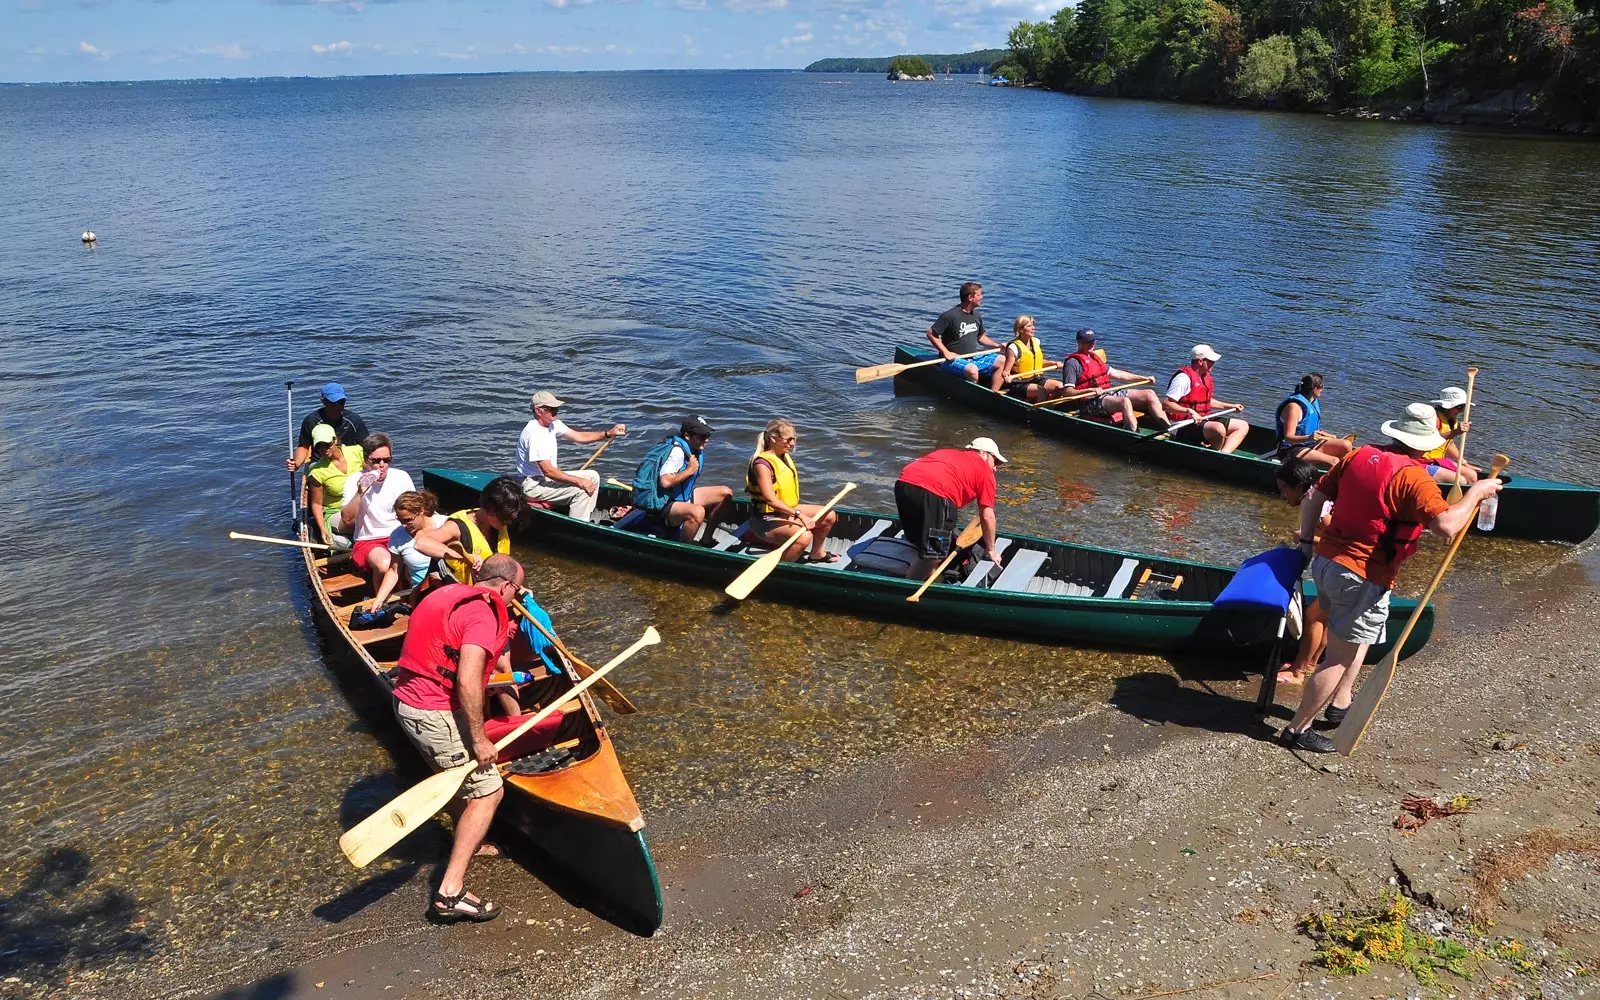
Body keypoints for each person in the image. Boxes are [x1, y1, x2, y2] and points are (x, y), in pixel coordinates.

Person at [1279, 403, 1502, 752]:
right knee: (1337, 656)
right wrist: (1477, 492)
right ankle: (1297, 730)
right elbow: (1446, 527)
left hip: (1326, 563)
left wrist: (1307, 543)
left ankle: (1340, 704)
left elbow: (1316, 495)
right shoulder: (1415, 478)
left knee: (1359, 637)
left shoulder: (1359, 456)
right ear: (1427, 444)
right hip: (1362, 573)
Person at [389, 554, 526, 923]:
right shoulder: (483, 614)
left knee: (460, 779)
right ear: (507, 586)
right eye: (518, 589)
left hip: (406, 702)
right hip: (434, 713)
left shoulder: (446, 592)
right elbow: (467, 680)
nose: (518, 596)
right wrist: (479, 738)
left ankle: (470, 841)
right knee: (489, 790)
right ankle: (450, 892)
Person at [894, 437, 1008, 581]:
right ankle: (908, 587)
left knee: (918, 540)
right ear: (983, 453)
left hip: (904, 485)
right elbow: (987, 516)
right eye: (995, 461)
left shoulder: (946, 452)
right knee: (932, 556)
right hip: (935, 494)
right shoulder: (985, 471)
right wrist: (991, 550)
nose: (995, 468)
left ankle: (927, 572)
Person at [515, 390, 626, 524]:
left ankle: (585, 516)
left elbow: (579, 437)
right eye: (552, 409)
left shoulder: (553, 424)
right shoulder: (535, 434)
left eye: (556, 408)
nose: (556, 411)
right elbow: (549, 471)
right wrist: (579, 481)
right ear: (538, 411)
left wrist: (608, 433)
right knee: (581, 490)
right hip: (532, 486)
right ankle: (578, 526)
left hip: (545, 479)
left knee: (593, 476)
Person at [338, 433, 416, 614]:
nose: (382, 466)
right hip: (370, 539)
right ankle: (384, 605)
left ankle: (410, 599)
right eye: (376, 461)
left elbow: (415, 509)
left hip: (400, 533)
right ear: (366, 461)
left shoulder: (401, 477)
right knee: (384, 563)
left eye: (386, 460)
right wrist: (360, 492)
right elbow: (347, 519)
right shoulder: (354, 481)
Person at [745, 418, 840, 563]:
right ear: (774, 438)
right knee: (804, 537)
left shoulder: (783, 457)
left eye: (794, 439)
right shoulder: (762, 464)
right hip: (765, 520)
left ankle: (817, 553)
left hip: (785, 512)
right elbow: (770, 500)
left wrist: (797, 514)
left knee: (829, 515)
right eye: (788, 440)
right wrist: (800, 516)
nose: (793, 444)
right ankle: (783, 568)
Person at [628, 415, 734, 543]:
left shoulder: (694, 449)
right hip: (663, 504)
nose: (706, 440)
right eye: (702, 436)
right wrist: (689, 470)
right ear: (688, 435)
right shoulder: (677, 452)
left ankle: (706, 539)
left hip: (681, 496)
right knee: (697, 512)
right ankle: (682, 548)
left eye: (707, 435)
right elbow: (665, 481)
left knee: (725, 493)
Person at [1273, 458, 1331, 687]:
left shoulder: (1317, 506)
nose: (1282, 495)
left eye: (1284, 489)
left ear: (1298, 487)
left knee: (1314, 616)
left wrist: (1307, 539)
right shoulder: (1318, 497)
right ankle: (1310, 664)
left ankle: (1298, 671)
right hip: (1338, 566)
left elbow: (1339, 538)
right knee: (1325, 617)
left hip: (1341, 567)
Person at [1056, 329, 1172, 433]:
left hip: (1106, 394)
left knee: (1149, 394)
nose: (1092, 344)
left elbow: (1118, 374)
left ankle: (1169, 430)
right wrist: (1090, 389)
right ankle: (1133, 434)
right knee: (1124, 402)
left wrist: (1142, 378)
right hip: (1088, 402)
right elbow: (1068, 392)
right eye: (1088, 342)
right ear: (1079, 342)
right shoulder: (1072, 363)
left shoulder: (1094, 358)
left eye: (1093, 341)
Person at [364, 489, 455, 621]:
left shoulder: (446, 524)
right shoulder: (398, 535)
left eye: (408, 520)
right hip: (423, 593)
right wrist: (379, 600)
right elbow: (393, 571)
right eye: (400, 521)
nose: (404, 525)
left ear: (421, 511)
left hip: (452, 583)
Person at [415, 475, 525, 584]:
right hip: (458, 591)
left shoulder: (497, 525)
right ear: (491, 509)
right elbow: (421, 543)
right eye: (506, 517)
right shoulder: (456, 527)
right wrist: (462, 557)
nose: (509, 522)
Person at [1163, 344, 1250, 453]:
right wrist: (1190, 411)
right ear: (1200, 361)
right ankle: (1214, 456)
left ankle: (1223, 455)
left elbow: (1205, 401)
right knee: (1218, 429)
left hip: (1202, 420)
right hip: (1182, 425)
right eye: (1211, 361)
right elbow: (1166, 404)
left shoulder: (1204, 376)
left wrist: (1230, 406)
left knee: (1242, 425)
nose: (1214, 364)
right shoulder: (1183, 378)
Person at [926, 282, 1003, 389]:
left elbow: (980, 337)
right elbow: (931, 334)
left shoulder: (976, 315)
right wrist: (946, 352)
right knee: (972, 370)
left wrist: (997, 346)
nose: (982, 297)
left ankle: (994, 394)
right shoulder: (950, 315)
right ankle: (975, 395)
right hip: (951, 360)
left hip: (972, 357)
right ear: (970, 297)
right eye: (979, 295)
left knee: (1002, 360)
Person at [305, 424, 364, 551]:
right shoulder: (317, 472)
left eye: (327, 445)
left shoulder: (357, 452)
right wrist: (322, 529)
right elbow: (316, 504)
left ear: (335, 440)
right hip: (335, 512)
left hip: (361, 503)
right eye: (319, 447)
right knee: (359, 520)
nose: (324, 450)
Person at [1275, 374, 1353, 468]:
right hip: (1291, 450)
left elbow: (1308, 429)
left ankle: (1337, 469)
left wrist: (1325, 435)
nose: (1322, 389)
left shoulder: (1312, 402)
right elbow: (1288, 438)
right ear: (1315, 389)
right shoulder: (1294, 407)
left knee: (1346, 445)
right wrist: (1309, 437)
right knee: (1334, 461)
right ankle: (1330, 474)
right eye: (1321, 386)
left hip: (1310, 445)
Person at [288, 382, 370, 471]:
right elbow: (304, 446)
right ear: (323, 401)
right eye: (334, 403)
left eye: (342, 402)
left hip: (347, 460)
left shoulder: (354, 420)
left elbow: (367, 446)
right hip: (320, 462)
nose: (339, 406)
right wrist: (297, 463)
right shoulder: (311, 421)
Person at [1421, 386, 1479, 485]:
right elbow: (1430, 439)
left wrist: (1464, 463)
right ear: (1446, 406)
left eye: (1463, 407)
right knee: (1461, 481)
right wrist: (1455, 432)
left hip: (1438, 460)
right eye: (1459, 407)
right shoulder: (1433, 418)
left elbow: (1448, 444)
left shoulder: (1452, 420)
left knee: (1472, 476)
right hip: (1422, 461)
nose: (1461, 411)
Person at [998, 316, 1062, 402]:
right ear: (1020, 330)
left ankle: (1049, 407)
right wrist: (1007, 377)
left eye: (1033, 325)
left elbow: (1037, 362)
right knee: (1042, 391)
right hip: (1019, 383)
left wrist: (1053, 363)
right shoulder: (1013, 347)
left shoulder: (1036, 341)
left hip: (1036, 378)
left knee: (1060, 386)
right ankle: (1037, 413)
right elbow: (1006, 371)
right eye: (1029, 326)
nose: (1033, 328)